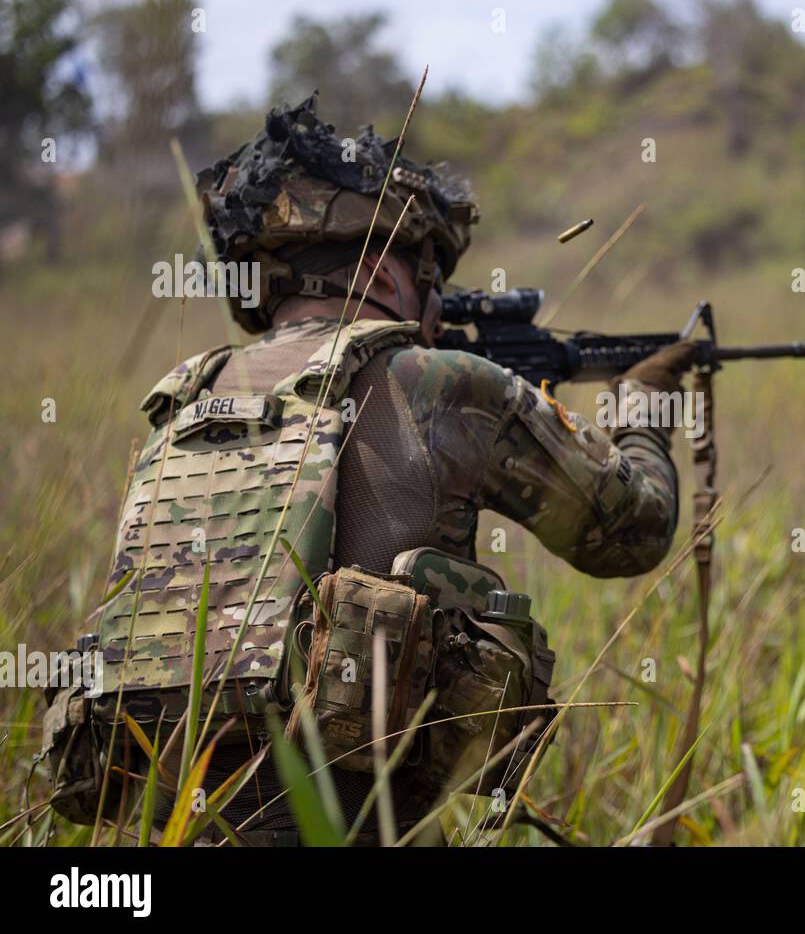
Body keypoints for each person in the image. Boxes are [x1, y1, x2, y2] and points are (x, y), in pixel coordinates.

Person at [42, 95, 694, 844]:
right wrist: (640, 410)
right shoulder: (439, 379)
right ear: (388, 274)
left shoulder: (180, 398)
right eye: (430, 283)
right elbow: (631, 531)